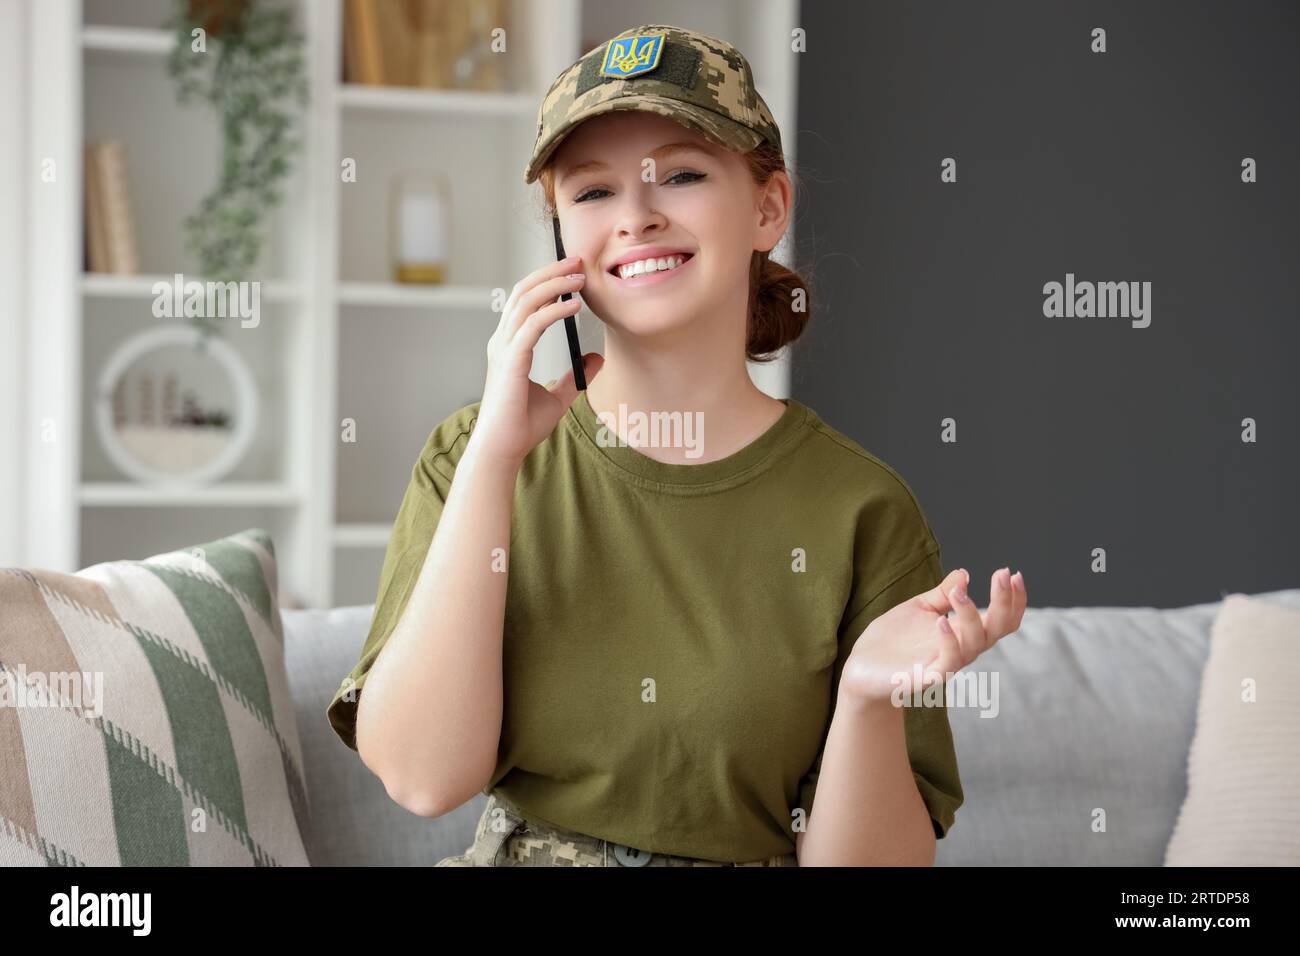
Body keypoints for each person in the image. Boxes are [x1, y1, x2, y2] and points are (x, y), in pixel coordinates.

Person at [326, 24, 1027, 867]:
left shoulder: (862, 511)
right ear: (559, 235)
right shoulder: (472, 457)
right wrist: (492, 465)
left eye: (683, 175)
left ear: (769, 207)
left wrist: (867, 702)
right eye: (591, 193)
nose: (637, 217)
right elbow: (422, 779)